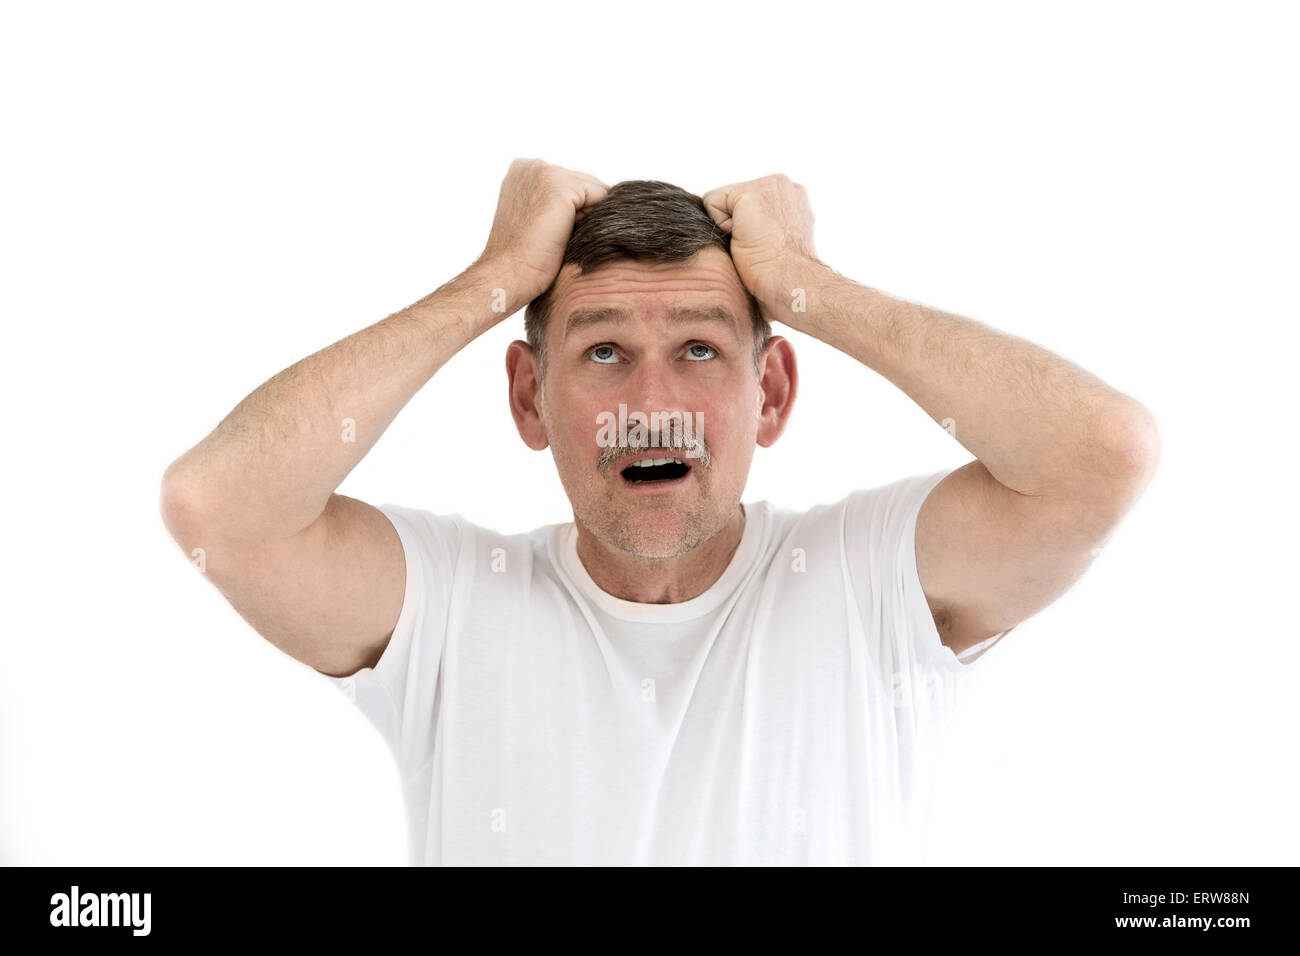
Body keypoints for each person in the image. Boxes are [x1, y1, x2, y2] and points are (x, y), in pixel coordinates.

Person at [159, 159, 1161, 865]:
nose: (652, 404)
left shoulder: (868, 581)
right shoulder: (449, 604)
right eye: (601, 351)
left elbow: (1099, 455)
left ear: (768, 395)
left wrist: (808, 286)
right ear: (526, 396)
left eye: (698, 349)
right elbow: (219, 505)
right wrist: (491, 281)